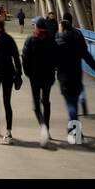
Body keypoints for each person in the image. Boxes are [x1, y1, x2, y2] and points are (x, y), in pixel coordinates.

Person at [55, 17, 95, 145]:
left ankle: (75, 133)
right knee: (74, 104)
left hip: (64, 77)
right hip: (77, 76)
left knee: (70, 105)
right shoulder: (78, 42)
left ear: (62, 28)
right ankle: (73, 130)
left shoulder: (58, 42)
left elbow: (52, 60)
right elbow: (88, 57)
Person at [21, 16, 57, 146]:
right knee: (46, 101)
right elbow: (56, 57)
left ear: (36, 27)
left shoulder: (31, 40)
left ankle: (43, 127)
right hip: (48, 77)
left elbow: (25, 58)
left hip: (35, 77)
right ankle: (47, 128)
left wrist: (27, 73)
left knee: (36, 106)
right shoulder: (51, 40)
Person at [62, 11, 91, 117]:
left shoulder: (61, 34)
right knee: (78, 86)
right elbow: (85, 51)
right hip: (77, 68)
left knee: (70, 102)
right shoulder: (78, 33)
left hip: (64, 72)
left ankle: (74, 128)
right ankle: (82, 99)